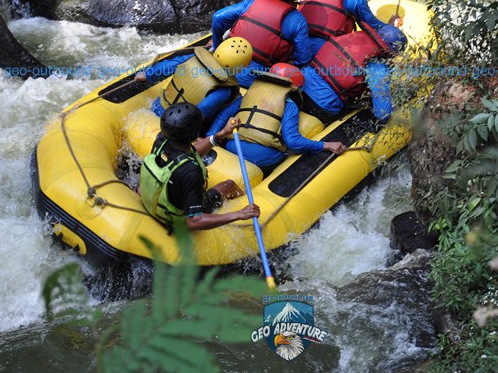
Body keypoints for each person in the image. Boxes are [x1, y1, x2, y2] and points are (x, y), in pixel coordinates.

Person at [139, 102, 260, 230]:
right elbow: (194, 221)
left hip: (157, 202)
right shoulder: (191, 172)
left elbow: (188, 154)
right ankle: (245, 207)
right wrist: (239, 214)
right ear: (195, 134)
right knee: (230, 185)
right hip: (175, 219)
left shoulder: (161, 140)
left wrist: (221, 134)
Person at [206, 63, 346, 173]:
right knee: (288, 155)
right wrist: (326, 145)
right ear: (295, 87)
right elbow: (292, 142)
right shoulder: (290, 103)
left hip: (231, 146)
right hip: (262, 157)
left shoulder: (251, 91)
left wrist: (208, 138)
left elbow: (224, 115)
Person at [211, 0, 311, 87]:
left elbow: (217, 17)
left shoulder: (249, 4)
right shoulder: (298, 20)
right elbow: (303, 60)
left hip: (223, 65)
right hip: (254, 79)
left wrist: (217, 46)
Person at [300, 23, 407, 123]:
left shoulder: (350, 37)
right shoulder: (377, 64)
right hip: (320, 105)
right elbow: (383, 114)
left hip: (299, 86)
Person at [133, 37, 253, 123]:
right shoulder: (224, 90)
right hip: (174, 125)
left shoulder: (193, 58)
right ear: (242, 66)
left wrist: (148, 75)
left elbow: (168, 66)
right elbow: (200, 112)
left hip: (157, 107)